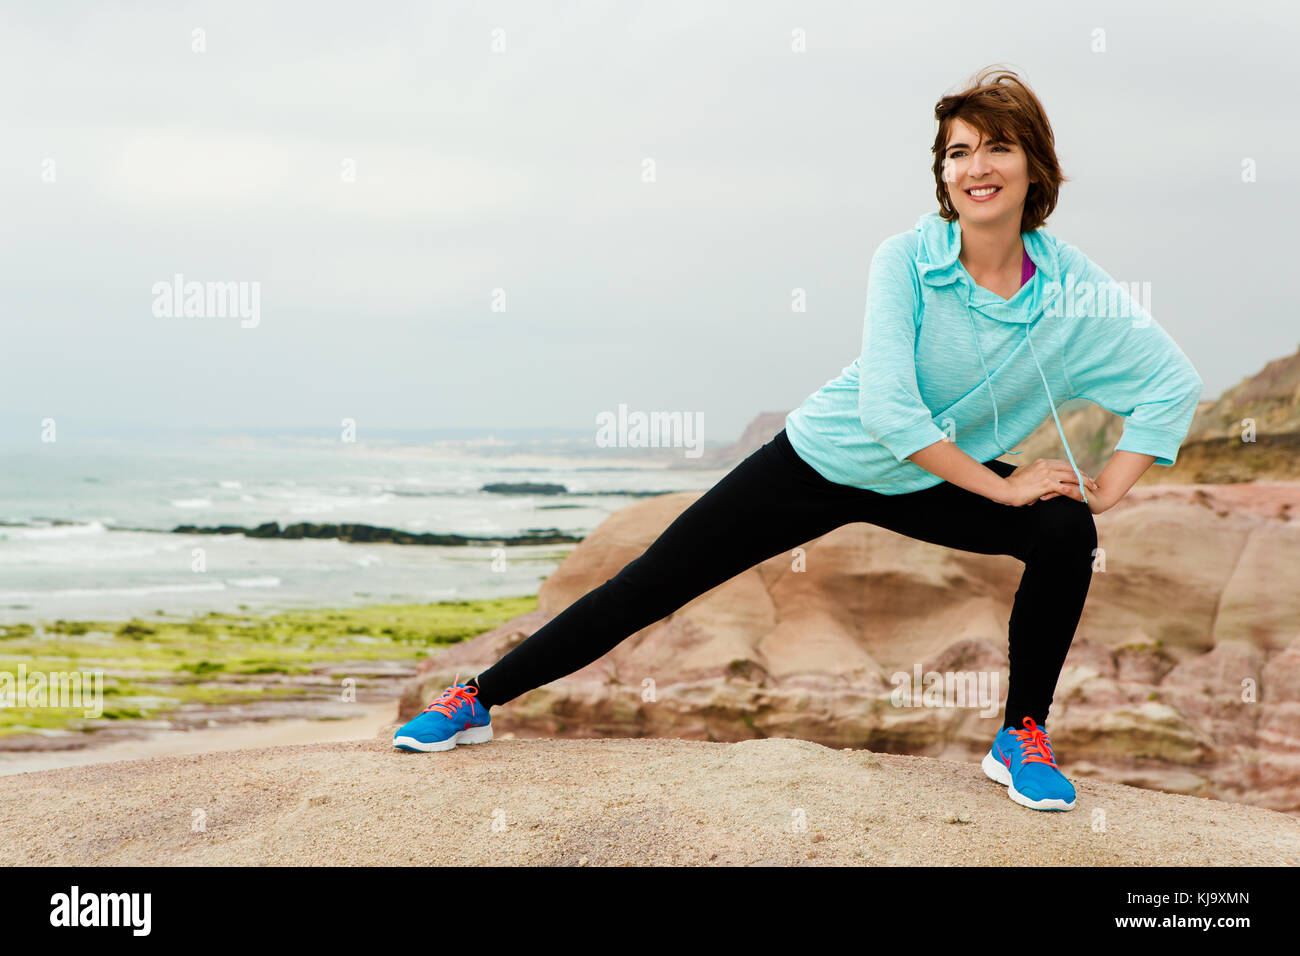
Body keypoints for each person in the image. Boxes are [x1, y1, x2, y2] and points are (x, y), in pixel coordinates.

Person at [392, 66, 1204, 813]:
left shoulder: (1071, 292)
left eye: (997, 146)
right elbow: (889, 413)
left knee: (1066, 526)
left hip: (932, 477)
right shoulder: (908, 262)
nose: (974, 166)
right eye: (958, 152)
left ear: (1035, 167)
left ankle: (1020, 736)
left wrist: (1097, 490)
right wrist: (1001, 485)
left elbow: (1171, 382)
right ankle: (475, 699)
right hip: (831, 455)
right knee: (655, 581)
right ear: (942, 174)